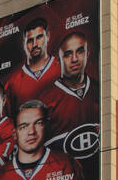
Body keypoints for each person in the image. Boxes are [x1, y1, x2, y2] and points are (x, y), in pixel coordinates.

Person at [39, 31, 100, 160]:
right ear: (59, 60)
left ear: (87, 54)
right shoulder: (45, 100)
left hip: (102, 174)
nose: (74, 59)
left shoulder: (99, 90)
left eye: (79, 51)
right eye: (67, 54)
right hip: (62, 177)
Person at [4, 18, 61, 115]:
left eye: (39, 37)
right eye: (30, 40)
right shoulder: (13, 84)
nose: (35, 44)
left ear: (48, 36)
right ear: (24, 44)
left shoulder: (63, 68)